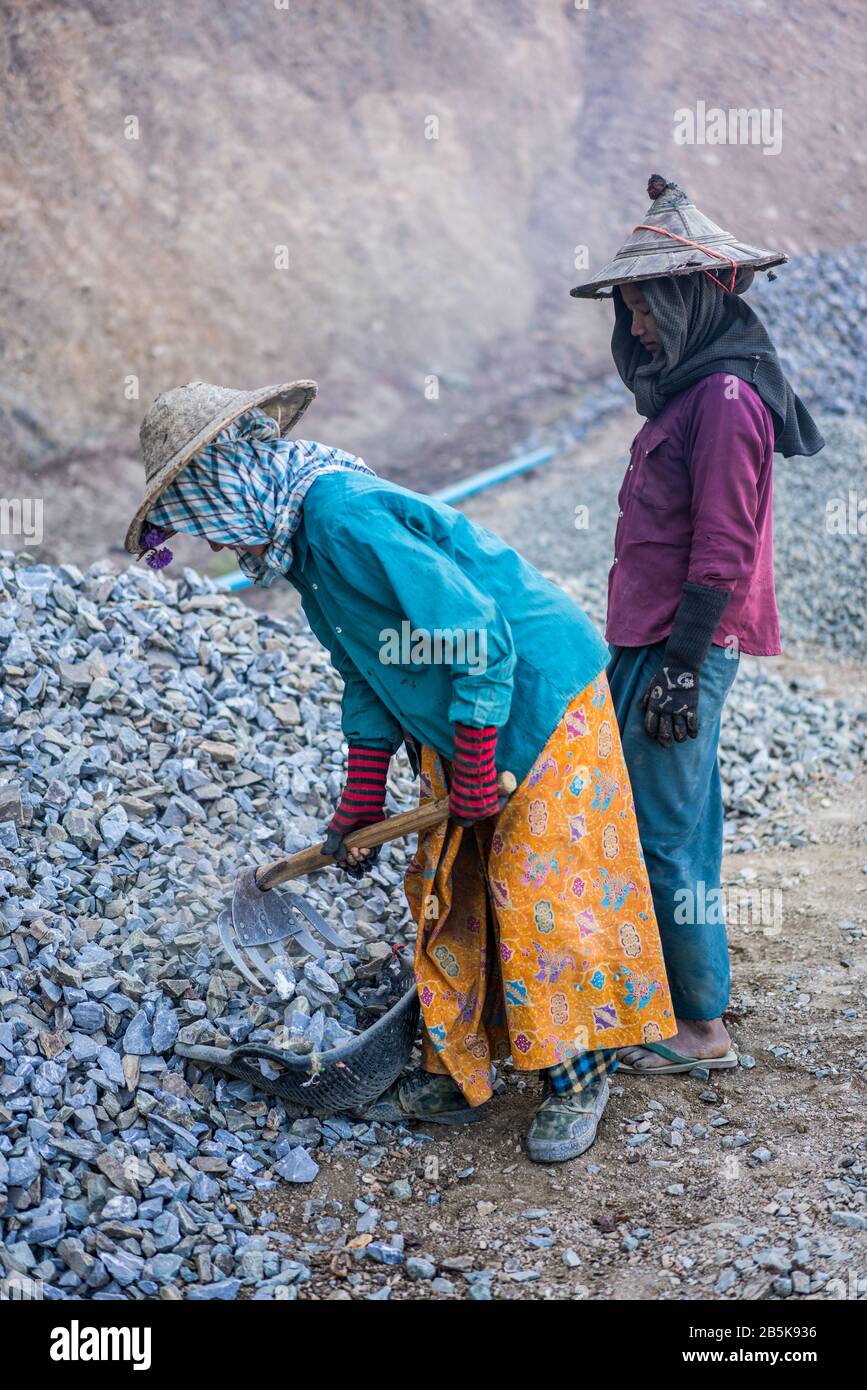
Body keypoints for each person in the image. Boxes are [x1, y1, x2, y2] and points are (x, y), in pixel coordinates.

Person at [124, 379, 675, 1161]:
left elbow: (473, 631)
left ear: (221, 482)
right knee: (447, 888)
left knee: (538, 887)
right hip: (455, 715)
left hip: (536, 692)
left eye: (195, 521)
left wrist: (478, 757)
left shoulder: (342, 515)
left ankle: (578, 1073)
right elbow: (368, 671)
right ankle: (463, 1071)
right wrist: (360, 796)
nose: (207, 544)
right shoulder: (300, 546)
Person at [570, 176, 824, 1074]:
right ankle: (690, 994)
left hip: (682, 645)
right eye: (630, 310)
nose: (637, 328)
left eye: (648, 308)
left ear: (689, 299)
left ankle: (700, 1029)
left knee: (661, 830)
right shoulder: (693, 392)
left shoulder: (722, 400)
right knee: (681, 820)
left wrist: (679, 668)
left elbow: (721, 549)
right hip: (652, 640)